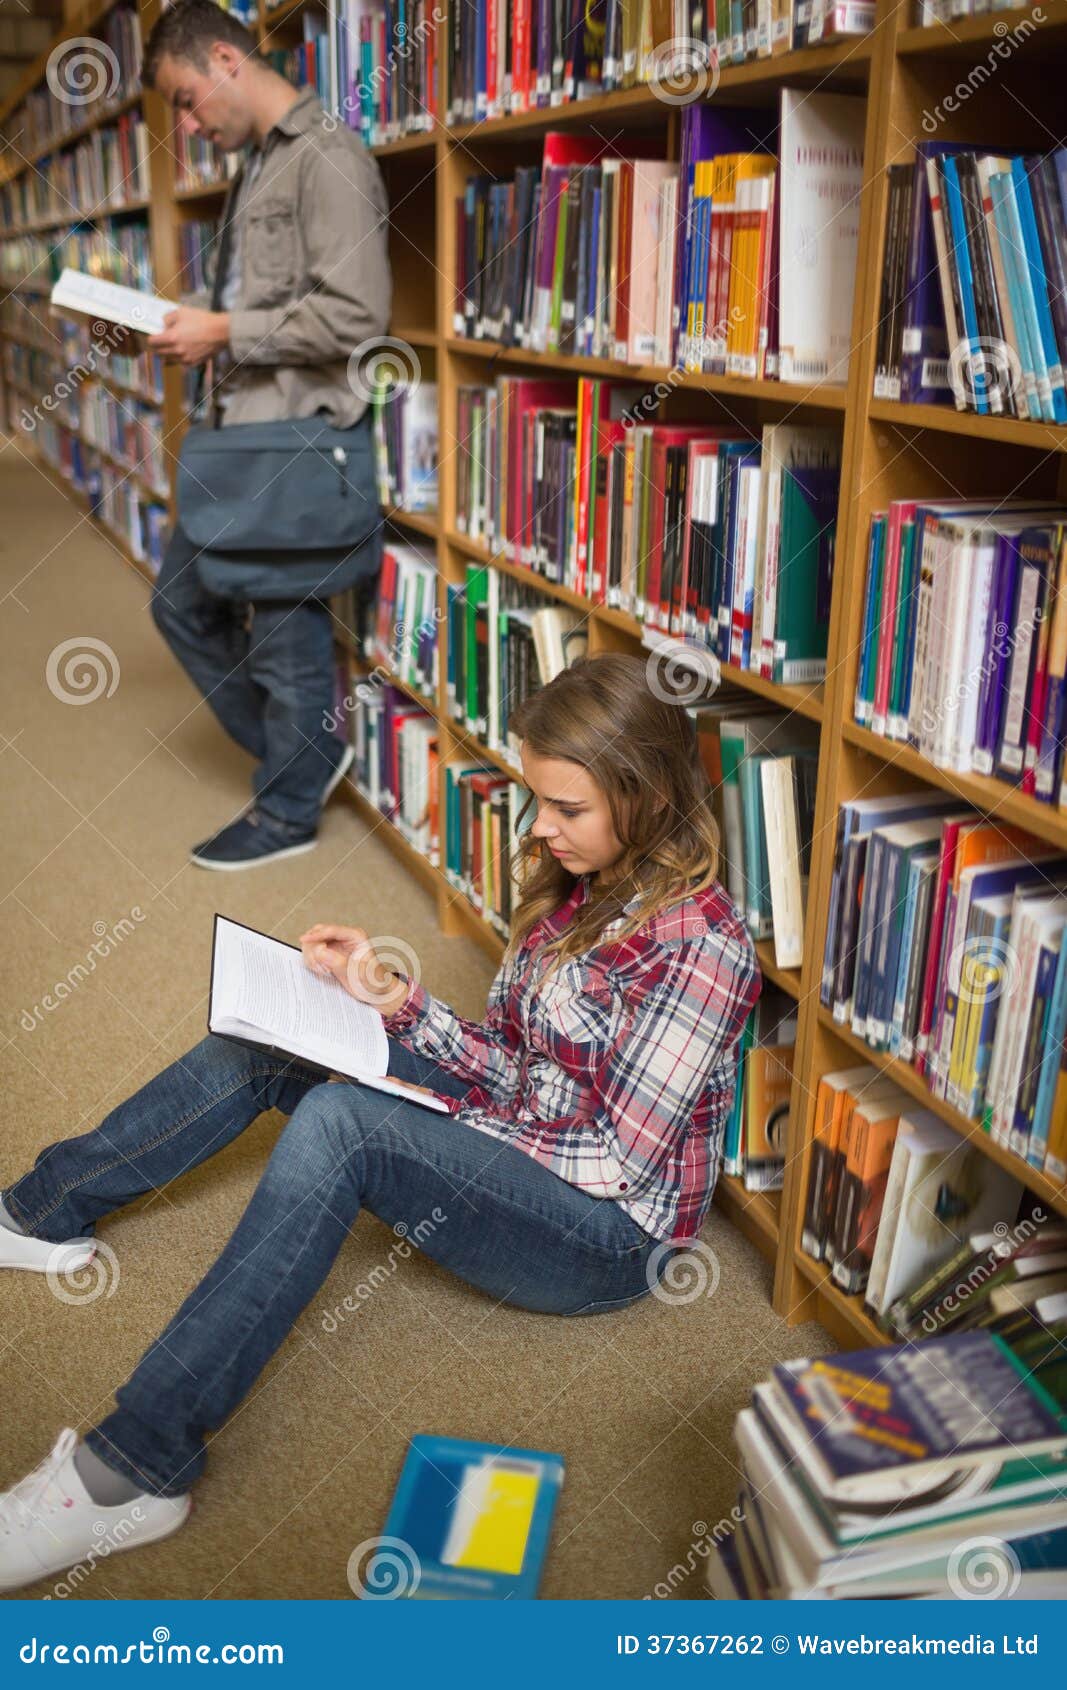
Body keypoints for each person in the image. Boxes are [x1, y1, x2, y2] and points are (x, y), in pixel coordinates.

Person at [0, 655, 760, 1593]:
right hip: (534, 1138)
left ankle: (134, 1470)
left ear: (645, 799)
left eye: (566, 809)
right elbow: (526, 1068)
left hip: (602, 1237)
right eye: (537, 801)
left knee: (343, 1123)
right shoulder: (586, 878)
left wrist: (421, 1099)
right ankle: (36, 1213)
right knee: (272, 1043)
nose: (539, 828)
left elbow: (609, 1159)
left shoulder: (702, 952)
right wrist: (395, 1006)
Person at [143, 0, 392, 869]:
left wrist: (223, 333)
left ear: (223, 58)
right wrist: (197, 332)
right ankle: (309, 755)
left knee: (288, 646)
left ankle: (288, 808)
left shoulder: (327, 156)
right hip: (240, 437)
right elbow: (265, 302)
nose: (185, 123)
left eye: (183, 98)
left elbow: (358, 313)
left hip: (292, 446)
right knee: (178, 602)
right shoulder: (254, 166)